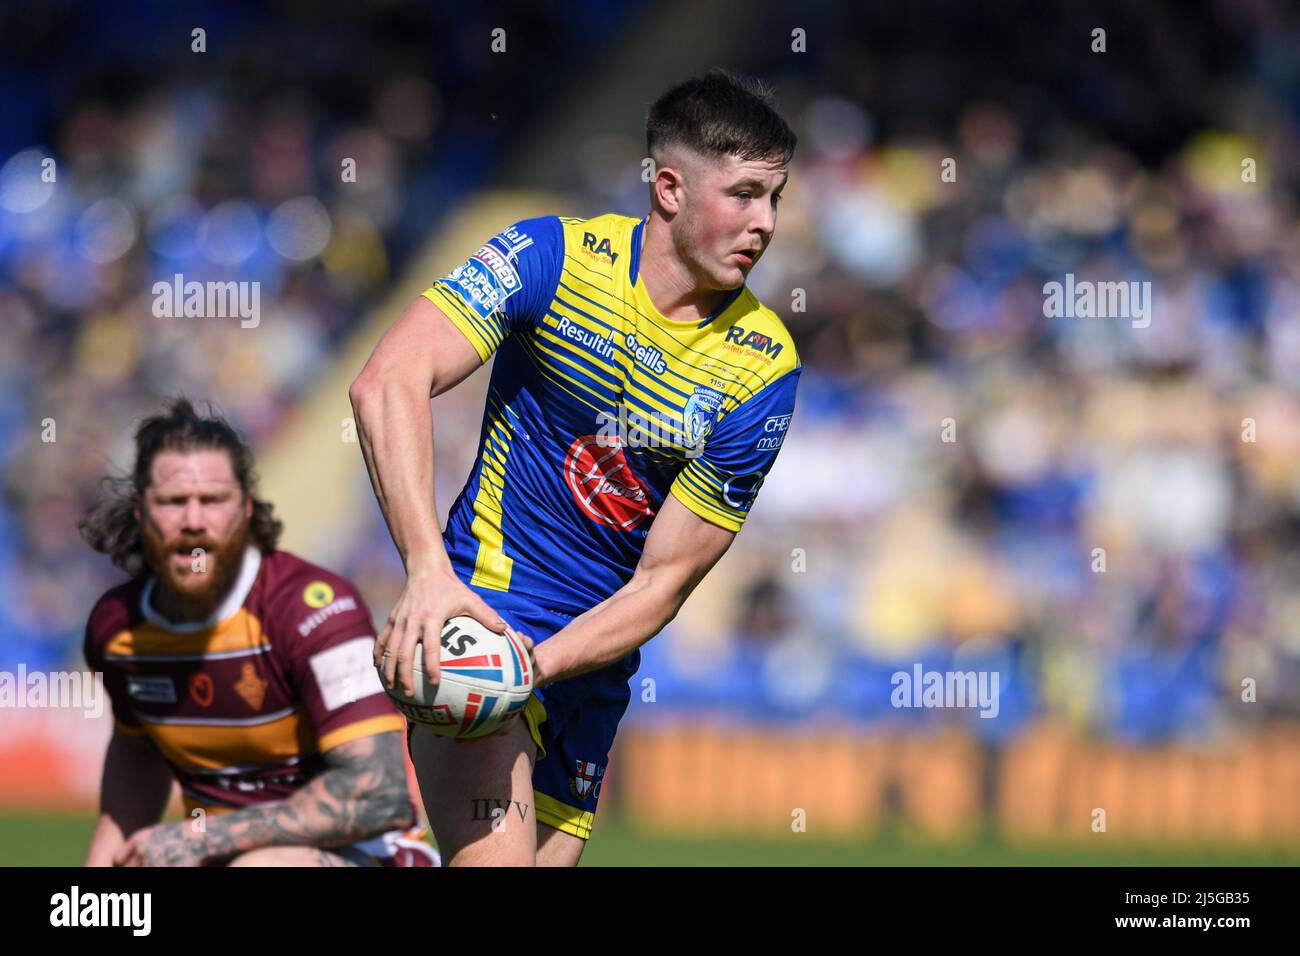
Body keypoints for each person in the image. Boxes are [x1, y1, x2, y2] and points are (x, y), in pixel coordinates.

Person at [350, 68, 800, 866]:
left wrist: (543, 667)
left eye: (776, 197)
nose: (764, 222)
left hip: (587, 668)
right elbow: (388, 379)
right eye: (744, 194)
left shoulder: (762, 366)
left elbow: (662, 585)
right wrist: (427, 572)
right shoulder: (552, 257)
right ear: (669, 188)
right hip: (484, 614)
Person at [80, 398, 437, 867]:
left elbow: (378, 796)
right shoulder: (117, 629)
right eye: (172, 502)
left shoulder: (313, 610)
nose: (192, 521)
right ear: (142, 512)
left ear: (246, 507)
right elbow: (136, 751)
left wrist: (203, 839)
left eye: (212, 500)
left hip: (368, 855)